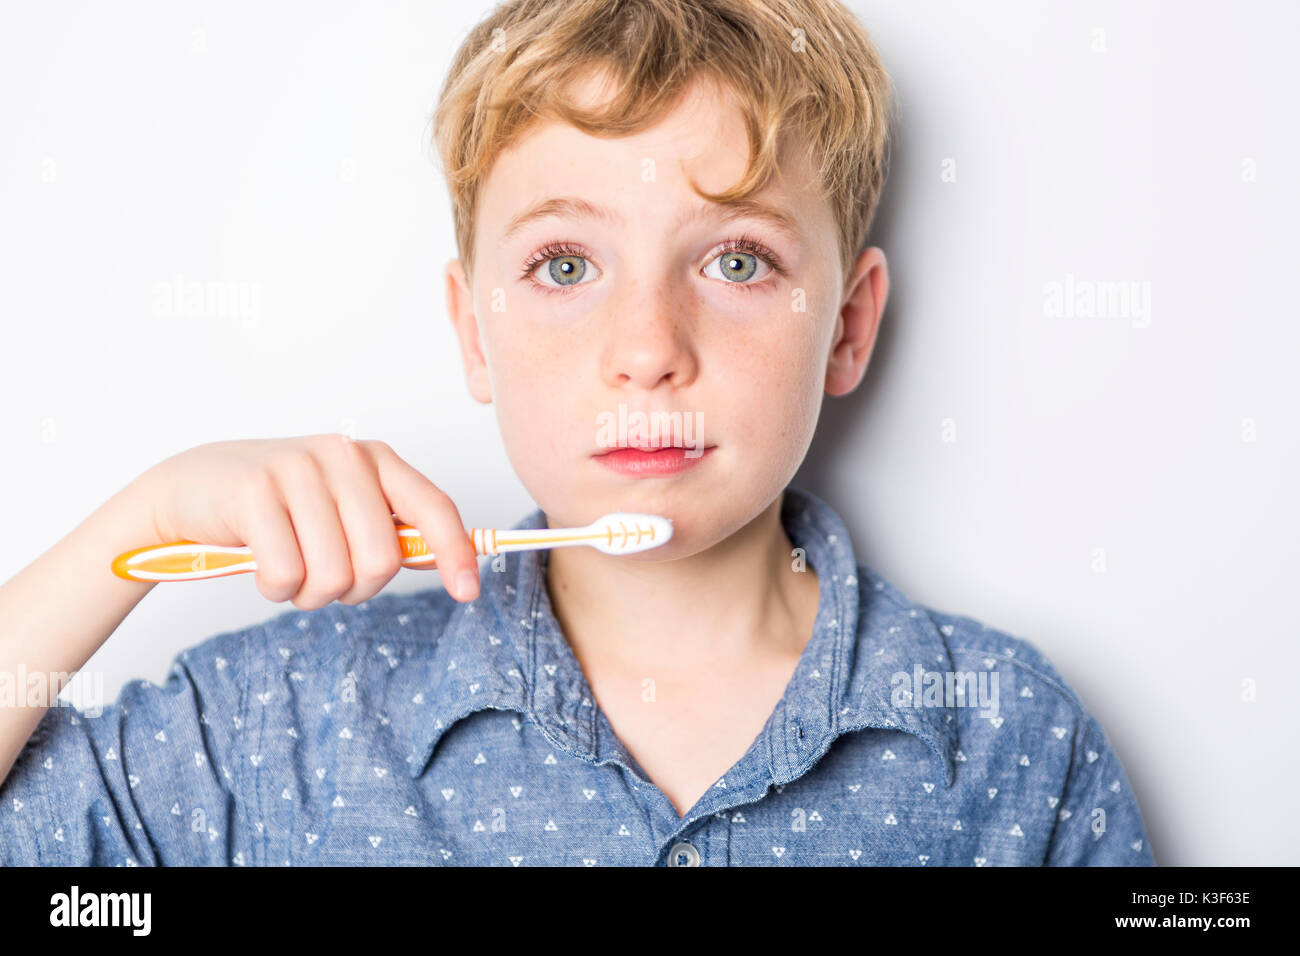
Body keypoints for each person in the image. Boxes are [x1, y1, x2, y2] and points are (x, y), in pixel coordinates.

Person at [0, 0, 1155, 866]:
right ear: (472, 331)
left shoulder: (1007, 737)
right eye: (564, 265)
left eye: (736, 260)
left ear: (846, 326)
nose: (646, 344)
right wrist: (136, 524)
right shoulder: (270, 732)